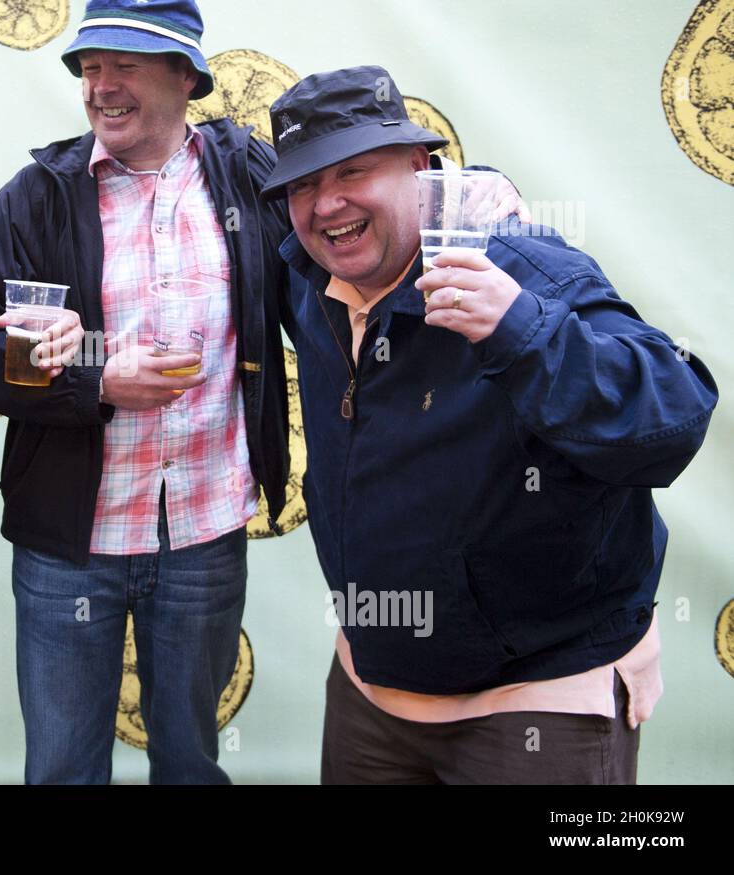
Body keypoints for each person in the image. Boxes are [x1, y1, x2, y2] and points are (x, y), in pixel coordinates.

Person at [260, 64, 719, 784]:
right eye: (303, 185)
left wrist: (524, 331)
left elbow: (674, 412)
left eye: (352, 171)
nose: (326, 204)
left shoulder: (515, 266)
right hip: (370, 685)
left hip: (536, 701)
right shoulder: (306, 273)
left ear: (420, 169)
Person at [0, 0, 294, 784]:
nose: (101, 85)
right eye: (90, 65)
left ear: (186, 76)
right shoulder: (36, 196)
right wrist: (92, 381)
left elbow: (340, 257)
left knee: (189, 761)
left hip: (203, 529)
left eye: (128, 64)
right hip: (73, 543)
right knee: (65, 767)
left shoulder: (248, 179)